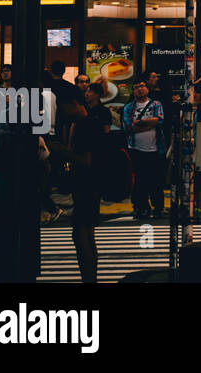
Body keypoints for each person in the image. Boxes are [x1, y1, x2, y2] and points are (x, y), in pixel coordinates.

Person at [70, 81, 112, 282]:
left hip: (86, 183)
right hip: (95, 181)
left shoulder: (86, 123)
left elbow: (85, 159)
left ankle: (88, 278)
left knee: (81, 233)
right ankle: (91, 277)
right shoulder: (90, 121)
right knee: (87, 231)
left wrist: (64, 153)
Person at [123, 81, 166, 220]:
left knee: (155, 180)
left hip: (155, 149)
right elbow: (128, 127)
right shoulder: (129, 107)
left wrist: (139, 123)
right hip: (135, 149)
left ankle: (158, 207)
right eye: (136, 88)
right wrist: (149, 123)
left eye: (142, 86)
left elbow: (159, 120)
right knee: (139, 181)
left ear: (147, 89)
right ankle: (142, 208)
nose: (139, 90)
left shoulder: (156, 104)